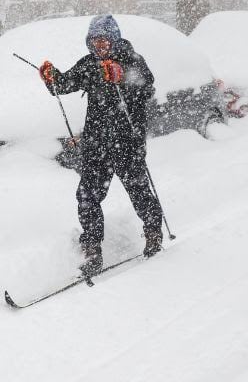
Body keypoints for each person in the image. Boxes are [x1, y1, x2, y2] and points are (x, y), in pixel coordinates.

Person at [39, 14, 163, 276]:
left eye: (104, 39)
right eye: (95, 40)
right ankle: (93, 250)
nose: (99, 45)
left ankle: (153, 232)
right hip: (96, 144)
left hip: (127, 141)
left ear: (115, 38)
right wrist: (52, 78)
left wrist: (121, 77)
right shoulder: (89, 64)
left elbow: (147, 88)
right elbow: (65, 85)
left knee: (138, 190)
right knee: (87, 196)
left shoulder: (133, 60)